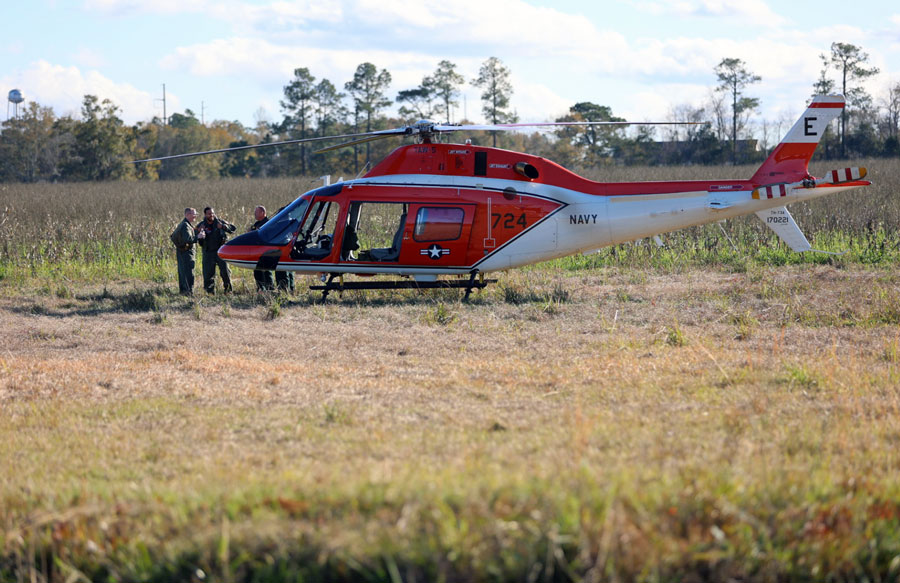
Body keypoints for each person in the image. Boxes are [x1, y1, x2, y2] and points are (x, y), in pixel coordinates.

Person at [197, 206, 236, 294]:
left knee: (225, 272)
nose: (211, 215)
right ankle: (209, 292)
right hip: (208, 252)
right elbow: (194, 234)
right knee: (208, 274)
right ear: (205, 214)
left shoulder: (219, 222)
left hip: (220, 251)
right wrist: (199, 231)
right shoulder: (201, 225)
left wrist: (223, 227)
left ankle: (228, 291)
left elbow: (233, 229)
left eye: (212, 213)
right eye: (209, 214)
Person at [170, 207, 199, 295]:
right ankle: (188, 292)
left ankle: (184, 292)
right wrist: (199, 237)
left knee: (183, 272)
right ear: (187, 215)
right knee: (188, 273)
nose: (195, 216)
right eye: (194, 214)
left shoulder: (185, 224)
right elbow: (188, 239)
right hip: (186, 254)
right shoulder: (186, 225)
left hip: (183, 253)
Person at [249, 205, 274, 291]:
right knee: (257, 271)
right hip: (257, 251)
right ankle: (260, 288)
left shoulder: (268, 223)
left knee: (266, 271)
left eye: (256, 212)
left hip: (266, 251)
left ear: (262, 213)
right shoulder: (256, 224)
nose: (254, 214)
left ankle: (270, 289)